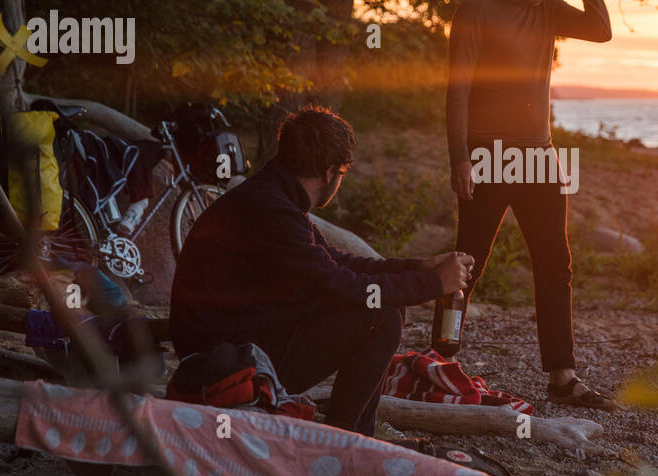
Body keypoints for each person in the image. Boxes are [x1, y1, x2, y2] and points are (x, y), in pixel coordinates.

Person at [171, 105, 473, 436]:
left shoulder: (273, 196)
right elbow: (337, 283)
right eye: (343, 173)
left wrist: (420, 268)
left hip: (234, 343)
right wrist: (431, 283)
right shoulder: (273, 210)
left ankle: (358, 435)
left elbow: (338, 262)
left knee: (385, 309)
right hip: (222, 366)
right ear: (330, 172)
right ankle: (341, 440)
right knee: (378, 318)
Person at [445, 0, 616, 410]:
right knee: (467, 262)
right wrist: (459, 157)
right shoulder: (476, 8)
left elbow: (601, 30)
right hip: (484, 154)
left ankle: (562, 377)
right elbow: (457, 89)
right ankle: (441, 356)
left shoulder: (548, 9)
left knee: (554, 264)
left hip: (539, 155)